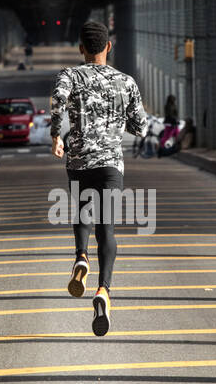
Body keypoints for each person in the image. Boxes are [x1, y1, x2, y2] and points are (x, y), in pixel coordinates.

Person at [50, 21, 147, 336]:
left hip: (79, 161)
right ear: (109, 47)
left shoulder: (70, 76)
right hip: (110, 165)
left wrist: (56, 136)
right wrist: (118, 121)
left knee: (81, 212)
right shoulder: (126, 82)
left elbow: (57, 103)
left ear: (81, 48)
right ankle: (103, 290)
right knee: (107, 228)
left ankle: (81, 257)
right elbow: (140, 126)